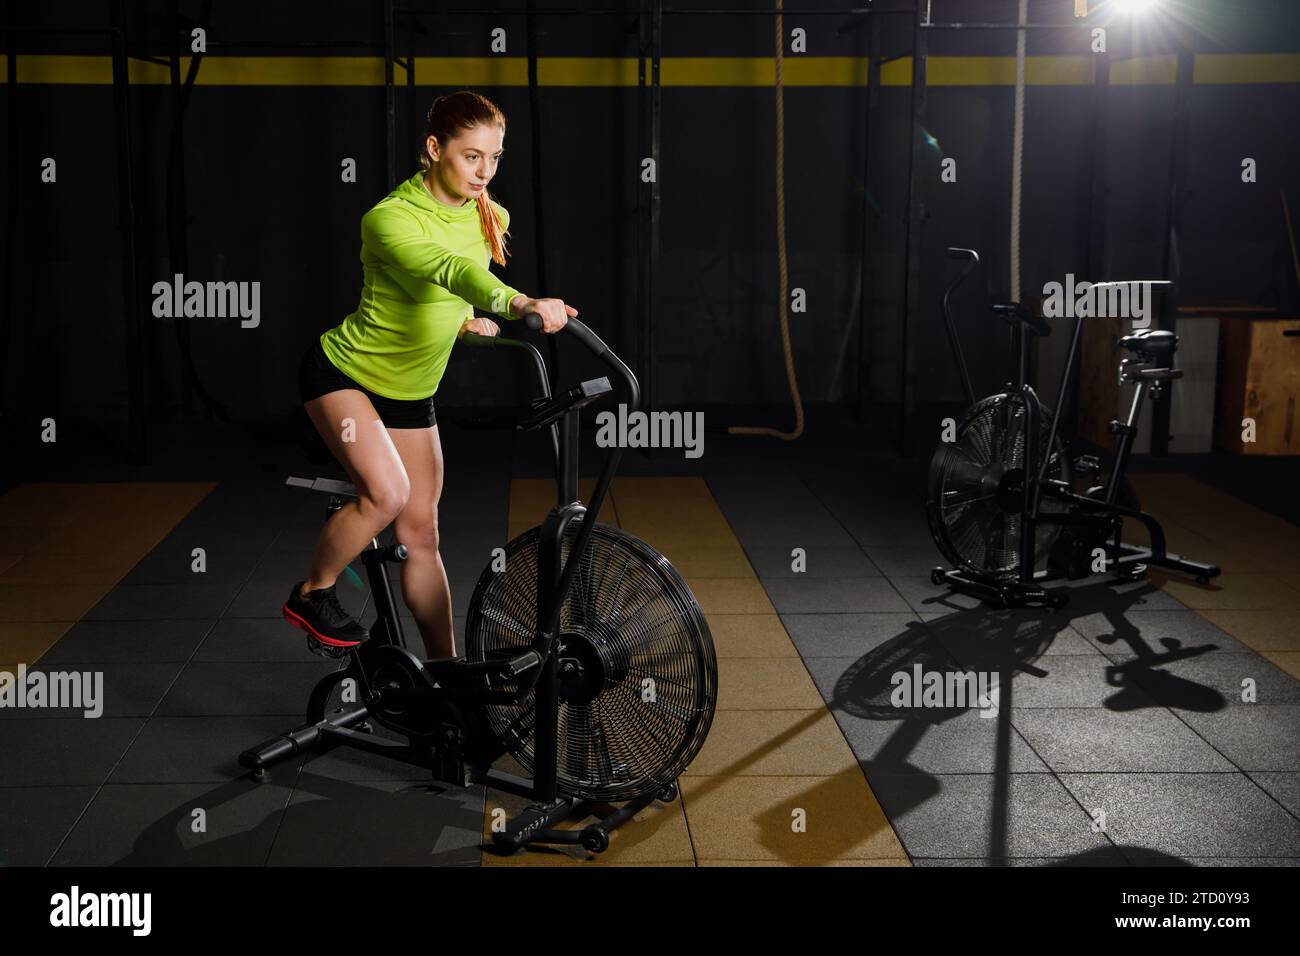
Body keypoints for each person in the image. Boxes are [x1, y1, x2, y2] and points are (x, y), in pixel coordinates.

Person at [286, 90, 575, 660]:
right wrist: (517, 303)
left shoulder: (490, 215)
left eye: (494, 157)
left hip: (411, 393)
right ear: (434, 148)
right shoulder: (388, 218)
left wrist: (466, 318)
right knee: (388, 495)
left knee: (422, 535)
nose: (485, 172)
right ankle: (312, 593)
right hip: (346, 376)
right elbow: (446, 266)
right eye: (472, 156)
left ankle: (445, 674)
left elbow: (453, 285)